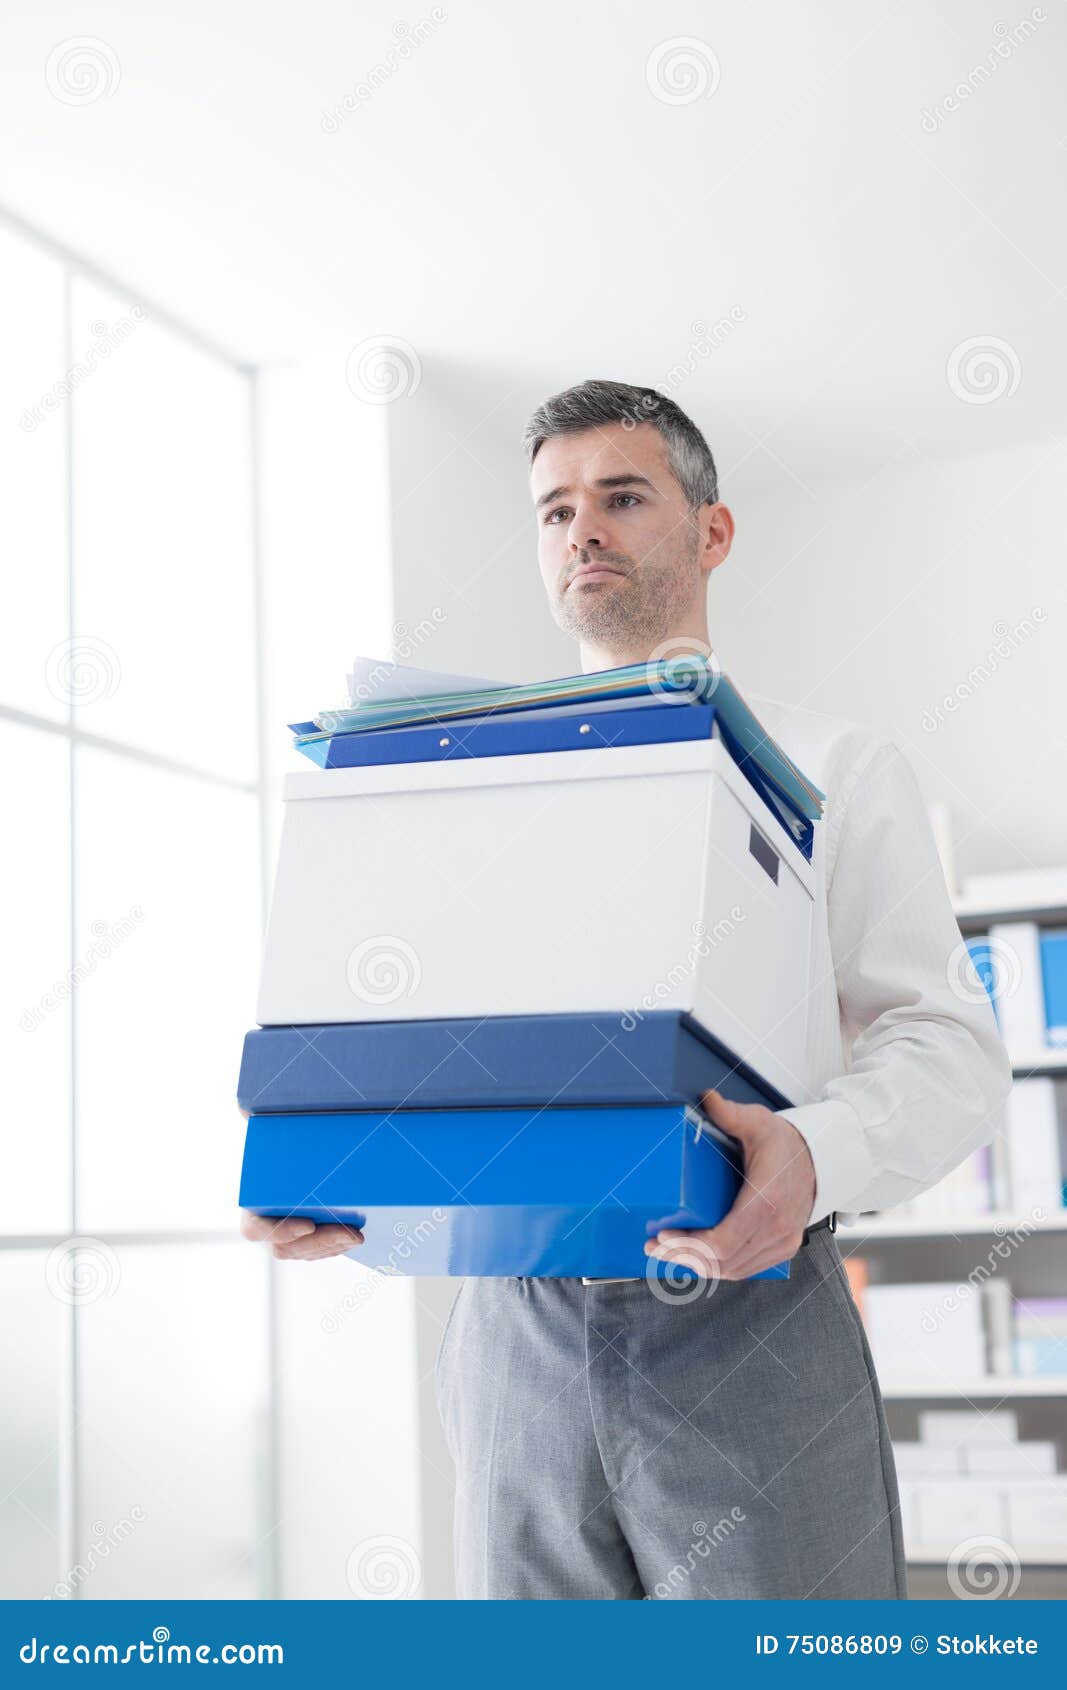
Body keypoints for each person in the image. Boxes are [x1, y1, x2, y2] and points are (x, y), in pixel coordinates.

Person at [242, 379, 1012, 1600]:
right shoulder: (462, 785)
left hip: (747, 1313)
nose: (580, 530)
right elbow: (430, 1037)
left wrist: (808, 1156)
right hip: (513, 1329)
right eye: (552, 510)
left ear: (710, 531)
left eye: (619, 496)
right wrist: (348, 1180)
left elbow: (947, 1045)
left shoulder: (833, 767)